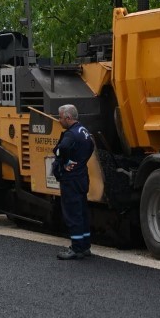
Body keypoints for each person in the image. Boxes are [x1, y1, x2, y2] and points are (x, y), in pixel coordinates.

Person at [52, 104, 95, 260]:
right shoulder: (84, 131)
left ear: (68, 118)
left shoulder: (70, 135)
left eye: (60, 117)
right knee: (82, 212)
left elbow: (60, 149)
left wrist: (64, 162)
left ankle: (76, 248)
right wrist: (79, 161)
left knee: (72, 214)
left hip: (71, 179)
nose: (59, 120)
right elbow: (91, 147)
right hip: (82, 176)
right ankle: (85, 246)